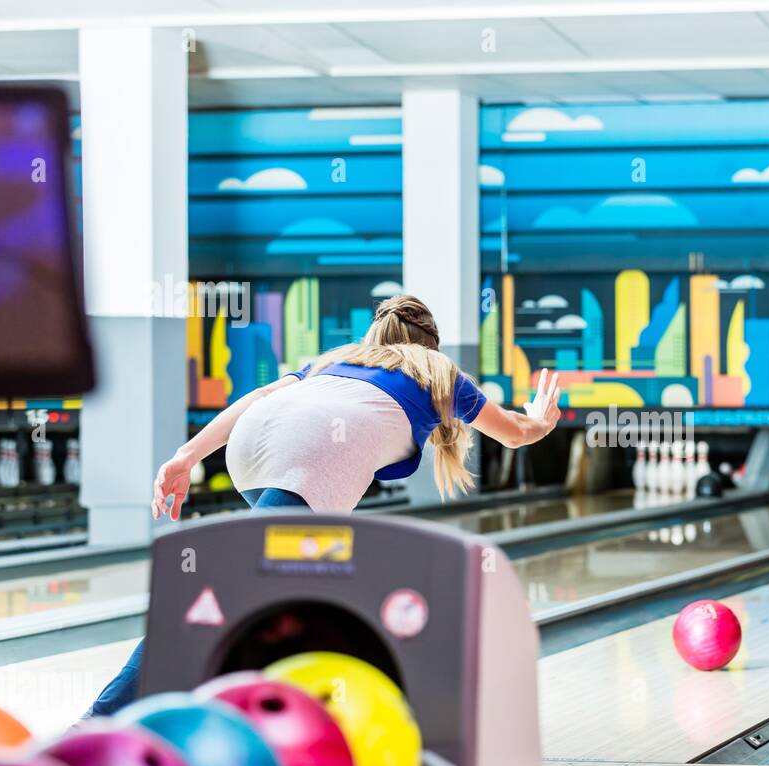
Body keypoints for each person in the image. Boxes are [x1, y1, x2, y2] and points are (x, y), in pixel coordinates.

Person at [85, 294, 561, 717]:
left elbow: (258, 397)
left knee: (292, 589)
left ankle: (269, 704)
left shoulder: (335, 360)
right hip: (311, 459)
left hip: (253, 447)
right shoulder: (437, 372)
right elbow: (516, 433)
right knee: (216, 593)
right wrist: (540, 419)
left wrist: (187, 455)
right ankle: (101, 718)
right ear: (430, 344)